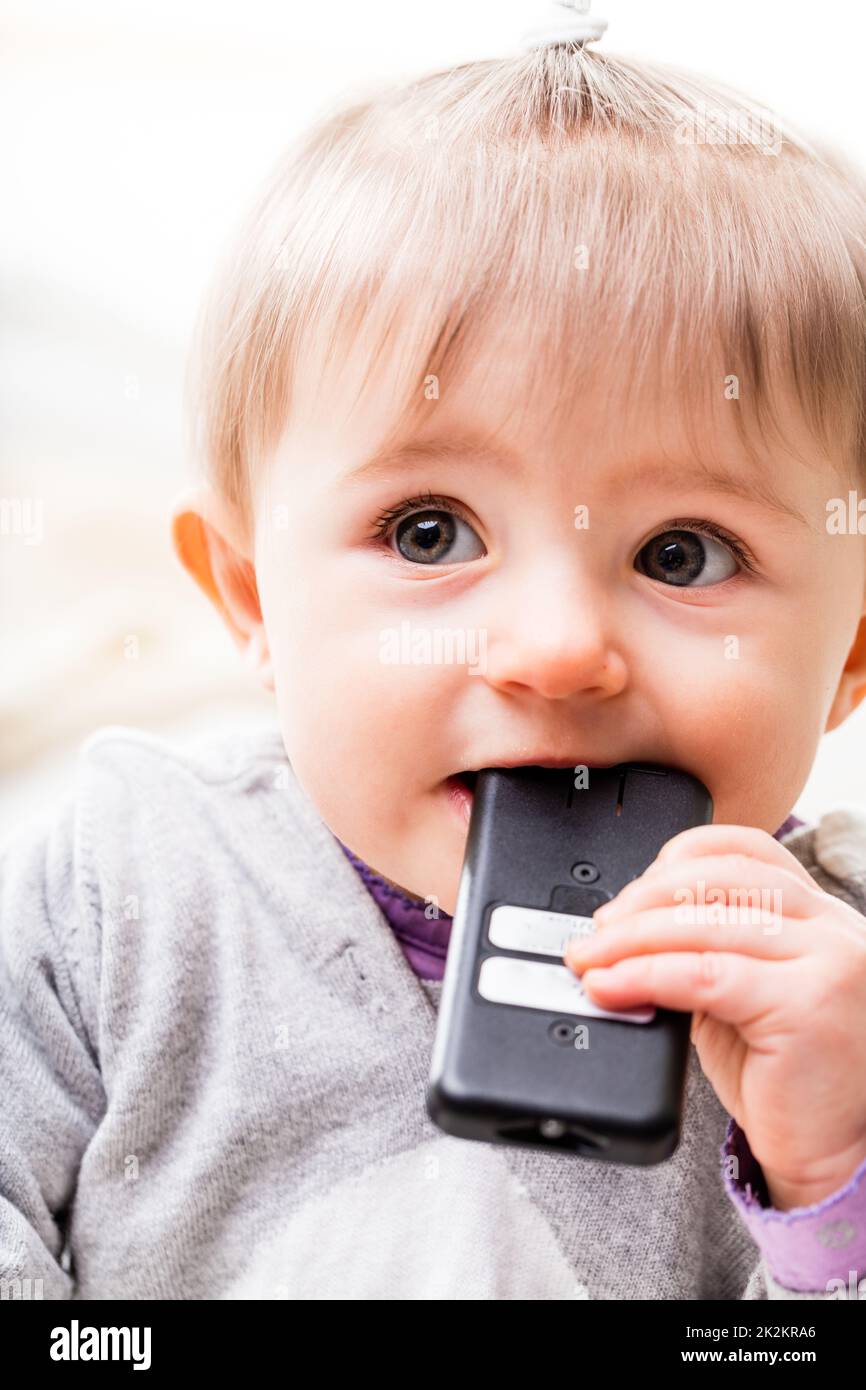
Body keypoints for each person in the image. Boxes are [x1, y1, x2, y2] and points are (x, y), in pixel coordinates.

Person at [3, 32, 866, 1300]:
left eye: (681, 552)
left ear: (849, 652)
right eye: (429, 533)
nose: (559, 647)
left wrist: (829, 1183)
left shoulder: (831, 993)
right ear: (250, 596)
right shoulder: (117, 888)